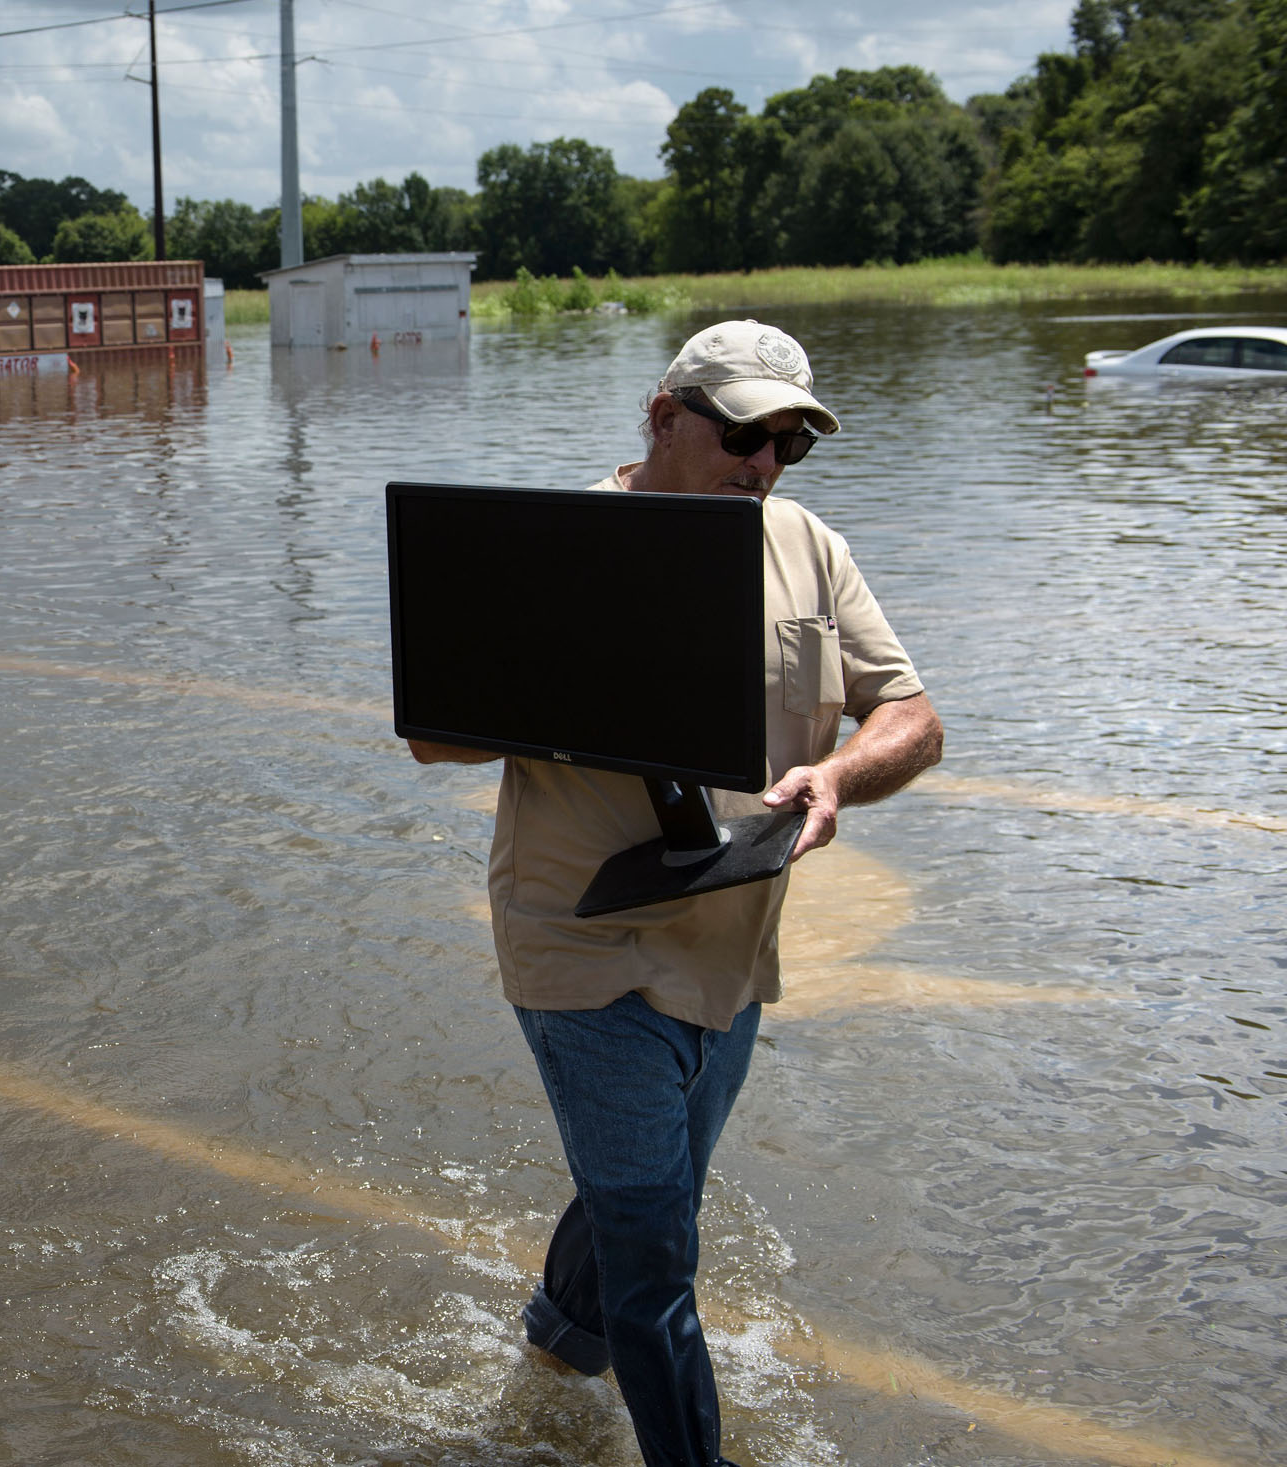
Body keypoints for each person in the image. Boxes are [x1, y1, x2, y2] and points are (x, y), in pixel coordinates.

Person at [409, 320, 942, 1467]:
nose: (763, 465)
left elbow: (913, 719)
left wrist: (841, 773)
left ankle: (552, 1351)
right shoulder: (547, 548)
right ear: (661, 418)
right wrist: (546, 679)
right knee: (659, 1247)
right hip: (585, 943)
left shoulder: (805, 546)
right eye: (743, 434)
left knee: (644, 1196)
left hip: (733, 942)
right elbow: (433, 745)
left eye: (789, 447)